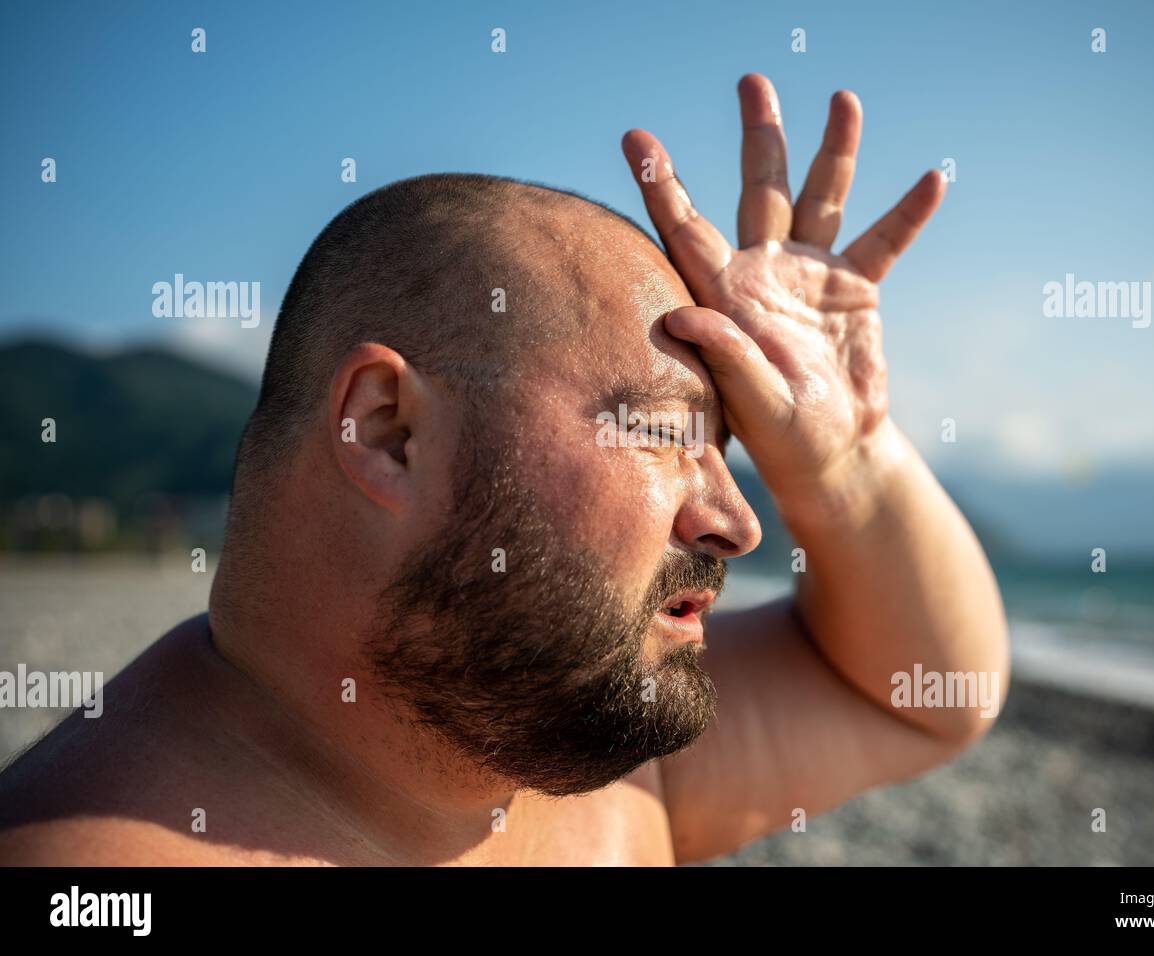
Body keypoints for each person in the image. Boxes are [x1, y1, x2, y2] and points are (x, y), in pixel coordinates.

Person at [0, 74, 1008, 865]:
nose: (737, 523)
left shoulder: (556, 743)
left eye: (730, 451)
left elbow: (927, 692)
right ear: (387, 432)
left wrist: (847, 460)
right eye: (664, 434)